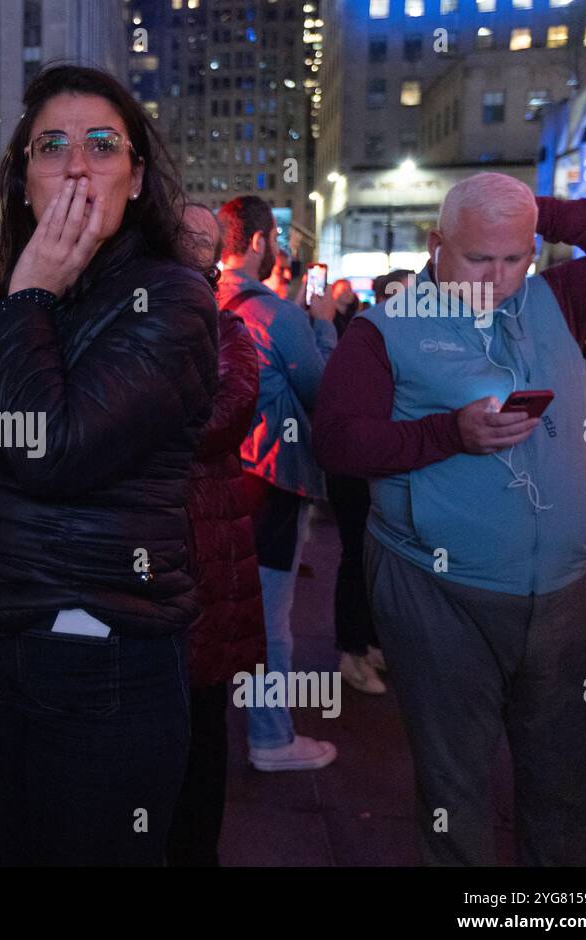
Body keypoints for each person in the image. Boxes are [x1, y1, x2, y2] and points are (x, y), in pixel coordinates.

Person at [0, 64, 217, 866]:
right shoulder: (23, 297)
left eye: (103, 145)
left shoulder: (171, 298)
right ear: (23, 179)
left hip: (97, 652)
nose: (77, 165)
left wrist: (27, 296)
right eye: (53, 147)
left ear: (138, 176)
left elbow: (51, 452)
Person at [314, 172, 586, 865]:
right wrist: (446, 435)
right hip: (438, 589)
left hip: (571, 585)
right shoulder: (384, 330)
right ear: (437, 245)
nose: (499, 277)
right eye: (478, 257)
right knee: (453, 785)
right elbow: (339, 440)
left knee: (568, 786)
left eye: (515, 256)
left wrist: (540, 210)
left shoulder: (554, 297)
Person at [216, 195, 339, 772]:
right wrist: (321, 323)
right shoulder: (281, 317)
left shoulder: (202, 300)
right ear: (261, 240)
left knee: (216, 605)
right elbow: (326, 394)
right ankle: (270, 737)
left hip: (214, 480)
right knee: (270, 619)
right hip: (269, 480)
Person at [167, 202, 264, 866]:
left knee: (201, 723)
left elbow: (223, 417)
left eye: (204, 241)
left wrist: (128, 424)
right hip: (131, 559)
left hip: (203, 546)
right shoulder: (122, 317)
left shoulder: (227, 331)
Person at [326, 275, 387, 695]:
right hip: (354, 467)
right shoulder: (362, 340)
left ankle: (370, 641)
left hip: (381, 465)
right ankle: (352, 651)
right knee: (356, 555)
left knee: (380, 559)